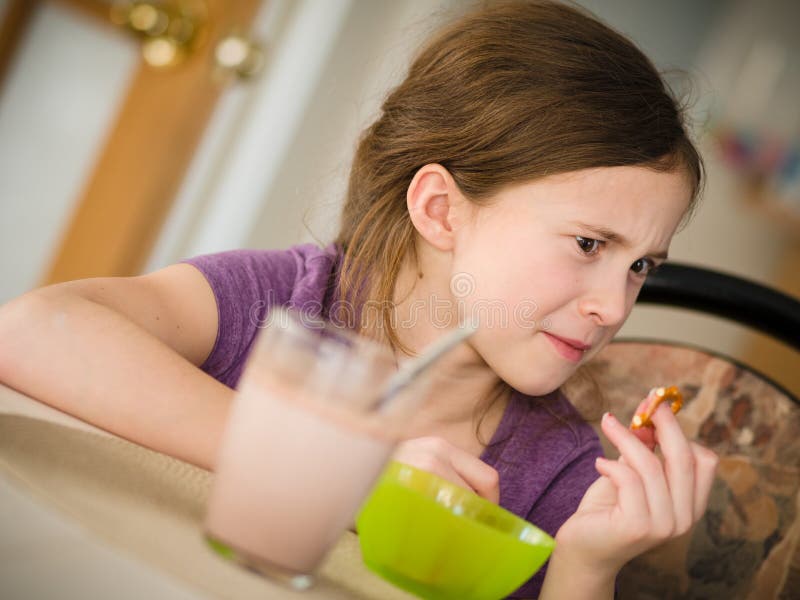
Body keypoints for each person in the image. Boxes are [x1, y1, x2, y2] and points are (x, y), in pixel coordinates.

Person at [0, 1, 719, 598]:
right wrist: (355, 474)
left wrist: (587, 568)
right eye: (590, 245)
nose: (615, 307)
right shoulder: (280, 307)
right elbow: (33, 330)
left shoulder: (560, 478)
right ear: (440, 210)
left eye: (642, 266)